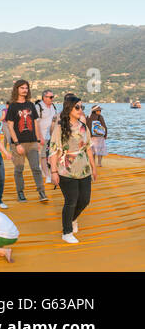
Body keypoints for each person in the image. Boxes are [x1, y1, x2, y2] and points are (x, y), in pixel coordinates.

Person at [49, 94, 97, 244]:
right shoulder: (60, 127)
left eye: (82, 107)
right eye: (77, 107)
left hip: (84, 169)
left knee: (85, 200)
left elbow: (88, 147)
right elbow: (53, 150)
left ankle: (73, 219)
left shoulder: (83, 126)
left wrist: (94, 168)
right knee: (71, 201)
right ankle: (67, 231)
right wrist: (54, 172)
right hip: (66, 169)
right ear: (69, 108)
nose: (80, 109)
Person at [4, 80, 48, 203]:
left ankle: (41, 192)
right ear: (16, 89)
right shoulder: (13, 106)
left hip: (32, 142)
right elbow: (10, 126)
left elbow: (35, 123)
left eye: (26, 88)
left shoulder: (30, 105)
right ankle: (20, 193)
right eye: (22, 88)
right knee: (19, 169)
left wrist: (38, 140)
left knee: (36, 168)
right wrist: (17, 144)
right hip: (18, 143)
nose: (25, 90)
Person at [36, 90, 59, 184]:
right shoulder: (38, 107)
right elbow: (36, 123)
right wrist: (39, 137)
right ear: (44, 97)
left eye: (52, 97)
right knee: (43, 156)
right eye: (50, 97)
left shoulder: (53, 106)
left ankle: (47, 171)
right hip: (42, 135)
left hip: (52, 136)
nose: (52, 99)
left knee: (52, 155)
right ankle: (47, 175)